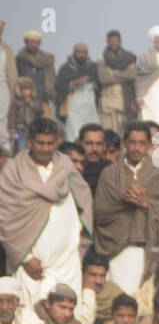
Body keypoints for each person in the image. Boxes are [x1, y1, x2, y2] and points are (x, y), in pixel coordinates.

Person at [0, 118, 94, 309]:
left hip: (66, 263)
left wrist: (79, 246)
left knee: (67, 321)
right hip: (30, 266)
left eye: (50, 143)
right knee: (30, 322)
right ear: (29, 142)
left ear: (57, 142)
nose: (45, 148)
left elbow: (85, 203)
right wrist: (25, 258)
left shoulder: (66, 167)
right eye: (40, 143)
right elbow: (4, 218)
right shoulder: (13, 171)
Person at [92, 121, 159, 294]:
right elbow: (100, 213)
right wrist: (124, 200)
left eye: (141, 143)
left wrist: (148, 205)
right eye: (132, 142)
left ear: (149, 145)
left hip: (151, 247)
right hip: (116, 251)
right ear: (124, 143)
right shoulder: (109, 175)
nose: (136, 147)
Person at [96, 30, 138, 136]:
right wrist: (123, 75)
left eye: (116, 40)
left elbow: (132, 75)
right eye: (111, 41)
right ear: (107, 42)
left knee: (123, 130)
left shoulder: (129, 57)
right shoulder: (102, 59)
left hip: (124, 99)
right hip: (107, 99)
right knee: (108, 131)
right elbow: (103, 79)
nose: (113, 43)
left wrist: (113, 73)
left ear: (120, 42)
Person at [55, 42, 100, 140]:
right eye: (79, 52)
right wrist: (74, 83)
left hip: (89, 105)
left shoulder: (94, 67)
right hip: (73, 106)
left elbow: (100, 85)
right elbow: (59, 86)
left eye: (84, 52)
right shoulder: (66, 68)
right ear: (74, 53)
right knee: (73, 133)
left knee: (90, 131)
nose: (81, 54)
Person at [16, 31, 55, 116]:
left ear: (39, 43)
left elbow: (51, 79)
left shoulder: (47, 59)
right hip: (25, 100)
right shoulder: (20, 59)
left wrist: (50, 93)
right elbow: (16, 79)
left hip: (43, 99)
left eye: (35, 42)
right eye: (30, 41)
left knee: (45, 126)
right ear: (25, 42)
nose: (33, 44)